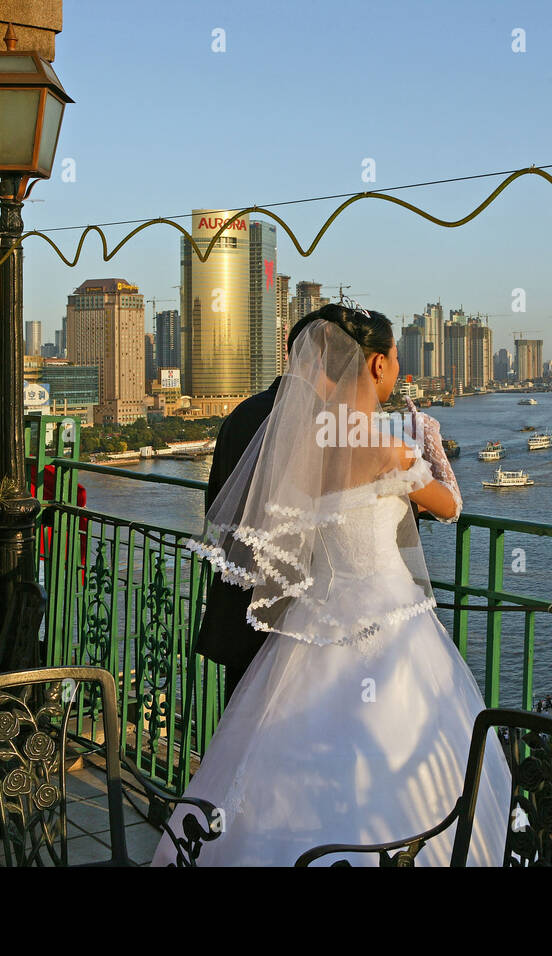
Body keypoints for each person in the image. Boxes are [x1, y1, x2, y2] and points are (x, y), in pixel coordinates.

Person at [151, 309, 512, 866]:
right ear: (376, 364)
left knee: (276, 749)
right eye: (395, 363)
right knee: (387, 748)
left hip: (313, 616)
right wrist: (429, 439)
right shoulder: (388, 445)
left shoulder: (304, 444)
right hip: (390, 618)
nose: (398, 373)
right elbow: (451, 505)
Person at [195, 309, 324, 706]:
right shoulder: (326, 420)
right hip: (295, 609)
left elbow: (216, 502)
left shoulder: (242, 413)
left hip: (240, 603)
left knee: (241, 721)